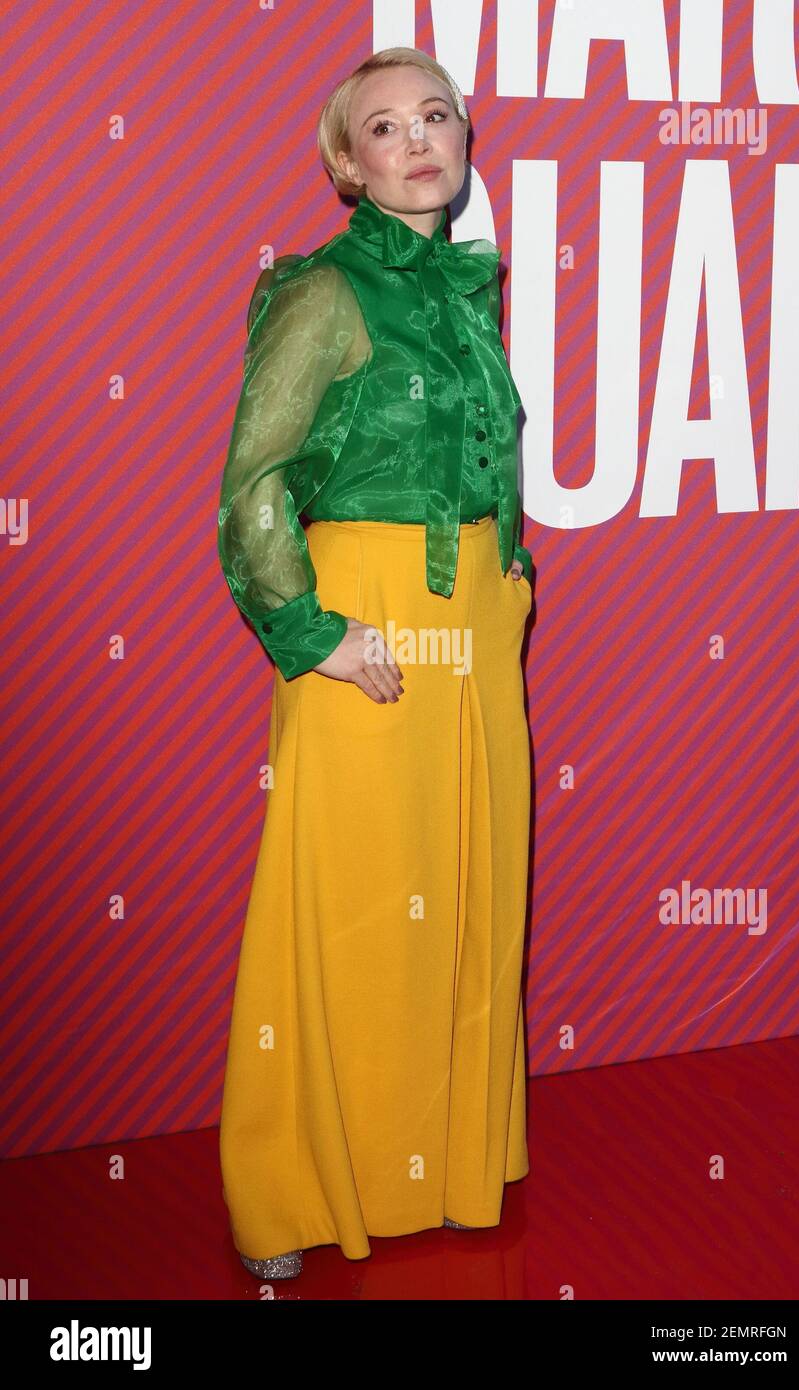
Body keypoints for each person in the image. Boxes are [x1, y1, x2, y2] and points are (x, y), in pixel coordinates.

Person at [217, 46, 534, 1281]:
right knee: (343, 903)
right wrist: (316, 633)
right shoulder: (322, 292)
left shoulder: (468, 294)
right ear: (347, 166)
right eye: (386, 127)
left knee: (464, 891)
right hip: (366, 624)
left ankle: (443, 1164)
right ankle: (291, 1197)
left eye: (438, 117)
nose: (419, 140)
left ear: (463, 140)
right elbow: (253, 487)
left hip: (473, 630)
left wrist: (510, 573)